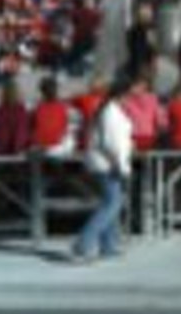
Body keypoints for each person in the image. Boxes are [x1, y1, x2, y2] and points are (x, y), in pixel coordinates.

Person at [72, 77, 134, 263]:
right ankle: (84, 242)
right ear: (121, 95)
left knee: (111, 202)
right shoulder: (111, 113)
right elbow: (112, 143)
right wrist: (120, 164)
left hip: (103, 162)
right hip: (108, 164)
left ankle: (109, 243)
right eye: (128, 96)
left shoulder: (108, 110)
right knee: (112, 203)